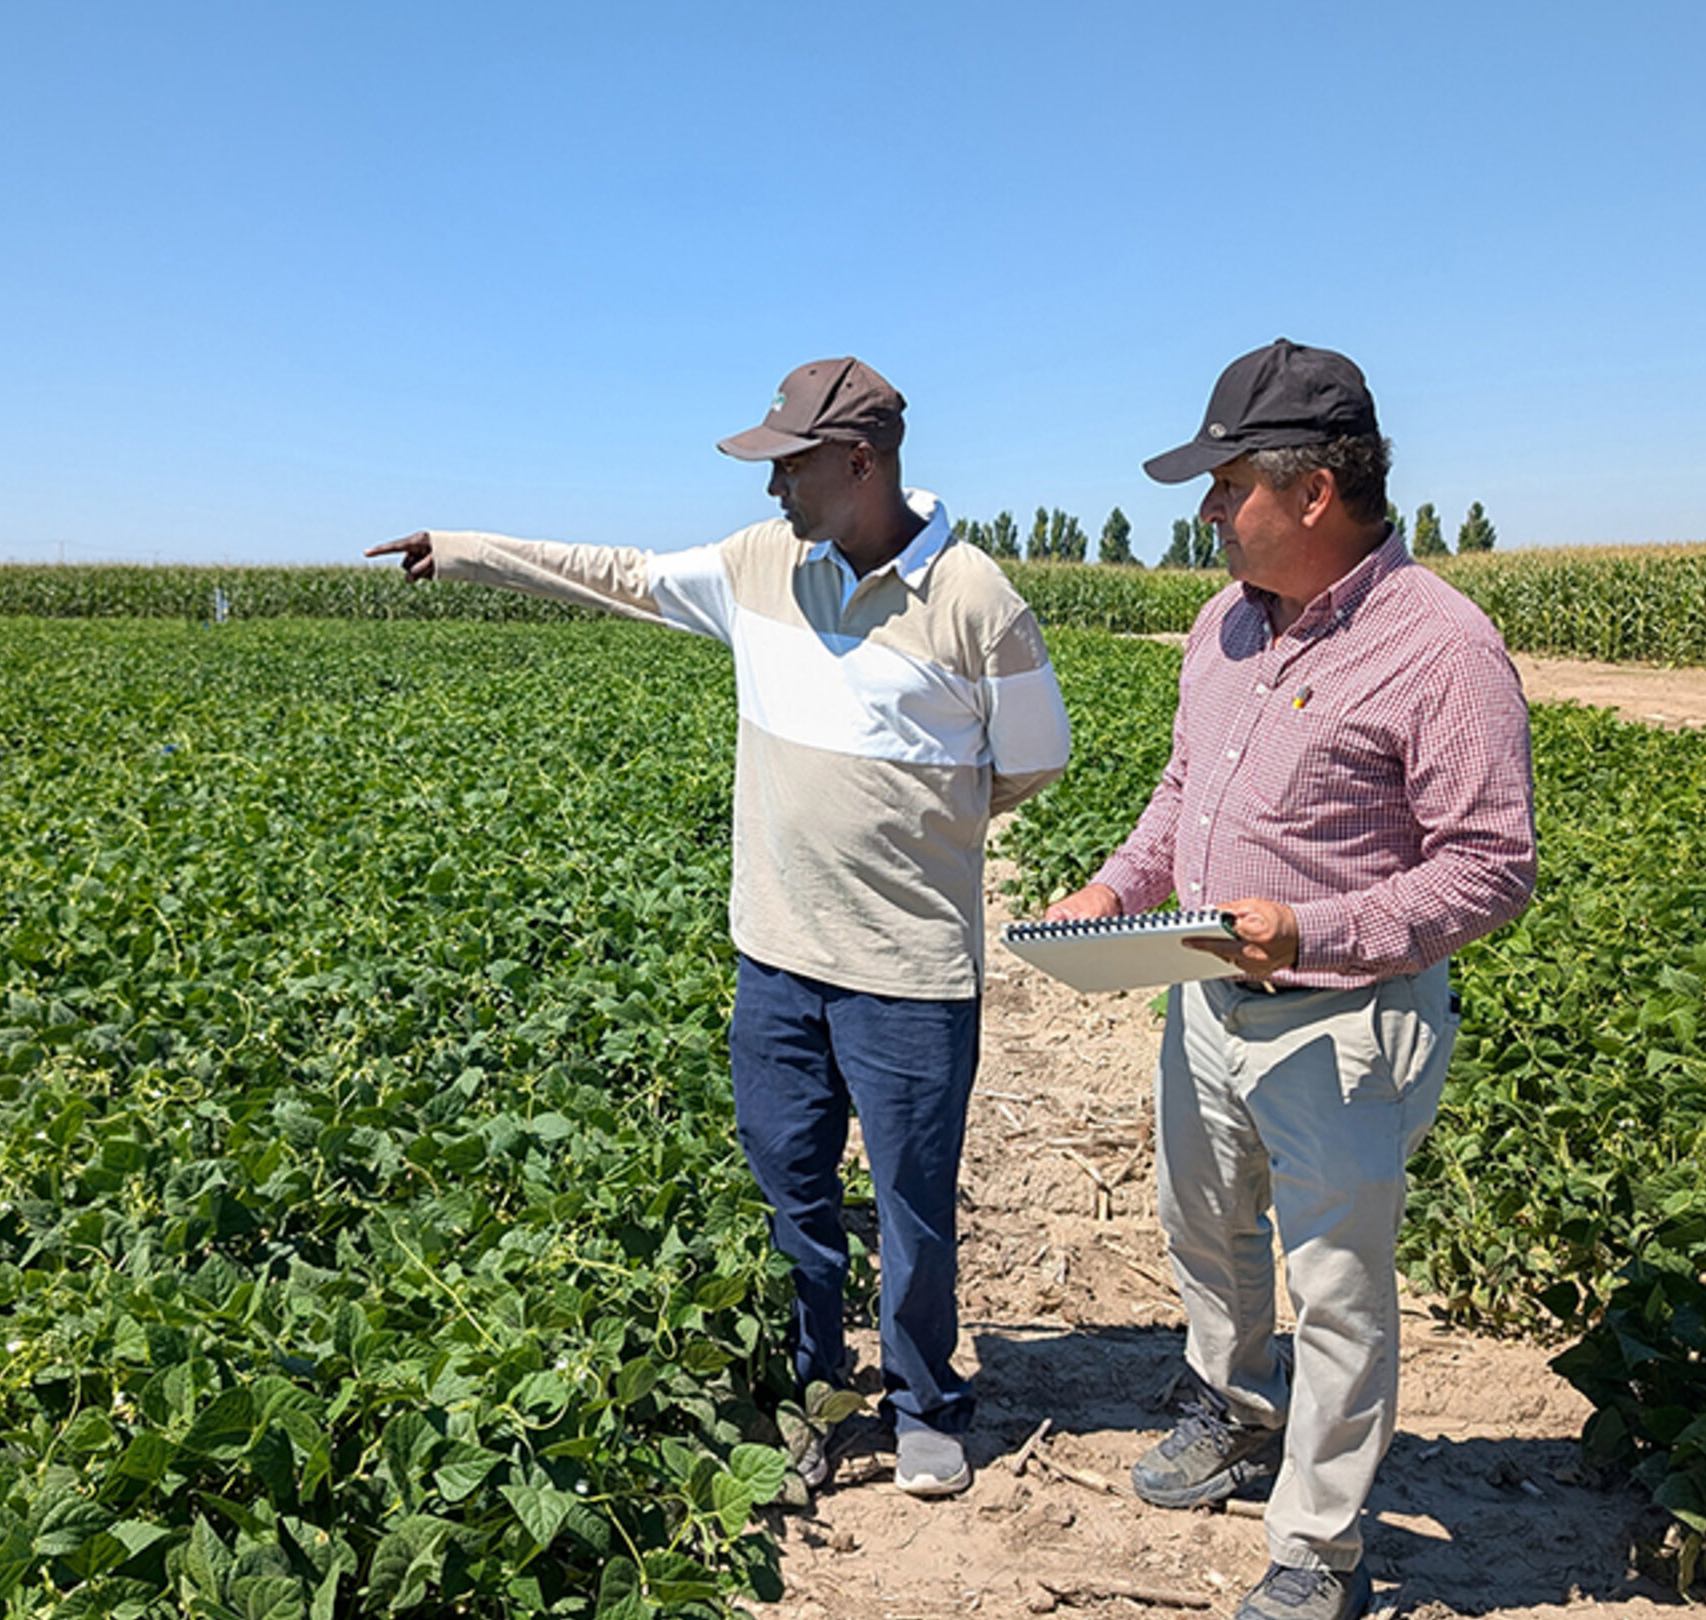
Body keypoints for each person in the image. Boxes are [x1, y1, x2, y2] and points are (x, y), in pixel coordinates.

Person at [368, 357, 1072, 1499]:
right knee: (791, 1193)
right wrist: (468, 550)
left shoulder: (975, 601)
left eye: (790, 466)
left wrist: (912, 820)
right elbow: (623, 577)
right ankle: (812, 1398)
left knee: (912, 1206)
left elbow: (1035, 761)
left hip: (909, 972)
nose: (772, 488)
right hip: (777, 963)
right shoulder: (757, 569)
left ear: (861, 462)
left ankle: (924, 1403)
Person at [1043, 340, 1535, 1620]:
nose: (1209, 511)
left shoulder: (1441, 648)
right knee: (1204, 1228)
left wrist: (1311, 934)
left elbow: (1490, 868)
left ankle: (1318, 1542)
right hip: (1206, 997)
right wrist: (1113, 891)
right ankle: (1237, 1410)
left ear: (1313, 491)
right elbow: (1181, 794)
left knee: (1336, 1289)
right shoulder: (1224, 625)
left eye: (1228, 485)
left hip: (1345, 1023)